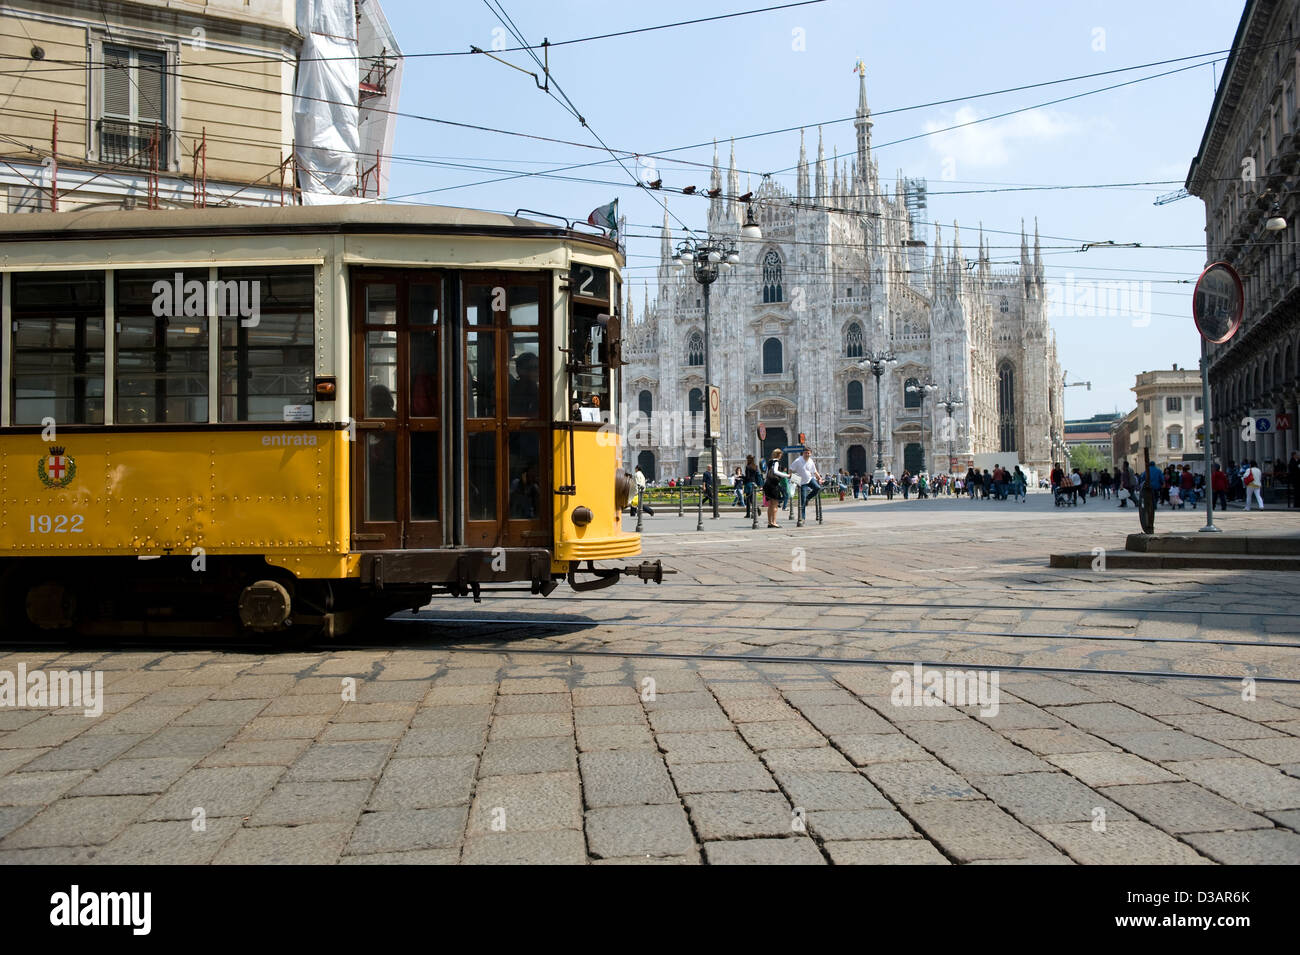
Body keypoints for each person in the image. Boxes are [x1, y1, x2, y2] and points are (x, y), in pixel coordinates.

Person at [790, 448, 823, 521]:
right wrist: (794, 479)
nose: (807, 454)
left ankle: (808, 498)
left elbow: (814, 471)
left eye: (808, 453)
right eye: (806, 453)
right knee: (802, 501)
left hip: (810, 479)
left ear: (810, 454)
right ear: (803, 453)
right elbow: (791, 469)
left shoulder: (811, 461)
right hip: (802, 482)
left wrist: (819, 478)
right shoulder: (798, 461)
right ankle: (802, 517)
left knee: (817, 488)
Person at [508, 352, 540, 417]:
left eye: (538, 367)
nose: (537, 371)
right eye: (533, 367)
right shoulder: (510, 391)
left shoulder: (541, 392)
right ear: (519, 370)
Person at [763, 450, 788, 528]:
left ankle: (769, 522)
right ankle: (774, 522)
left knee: (770, 505)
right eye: (780, 454)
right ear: (779, 455)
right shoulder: (777, 462)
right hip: (773, 485)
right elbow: (775, 471)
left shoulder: (769, 462)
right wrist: (787, 476)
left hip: (767, 484)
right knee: (775, 504)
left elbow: (766, 474)